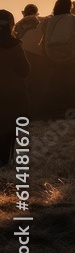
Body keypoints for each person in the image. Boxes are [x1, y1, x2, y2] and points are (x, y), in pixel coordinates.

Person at [38, 0, 75, 115]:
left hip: (51, 56)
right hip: (71, 56)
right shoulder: (72, 18)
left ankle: (50, 109)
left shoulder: (49, 20)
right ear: (69, 7)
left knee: (56, 81)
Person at [0, 10, 30, 166]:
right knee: (10, 131)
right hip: (13, 95)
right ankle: (5, 161)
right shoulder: (15, 45)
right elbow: (25, 70)